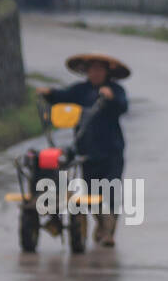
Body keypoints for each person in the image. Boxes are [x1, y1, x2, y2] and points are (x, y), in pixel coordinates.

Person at [36, 53, 130, 247]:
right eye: (92, 69)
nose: (95, 73)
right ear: (87, 72)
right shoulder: (80, 91)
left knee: (110, 190)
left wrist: (111, 98)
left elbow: (122, 105)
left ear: (106, 72)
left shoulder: (115, 90)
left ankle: (107, 233)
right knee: (89, 194)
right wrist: (49, 93)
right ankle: (98, 226)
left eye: (99, 69)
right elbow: (61, 97)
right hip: (86, 151)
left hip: (111, 151)